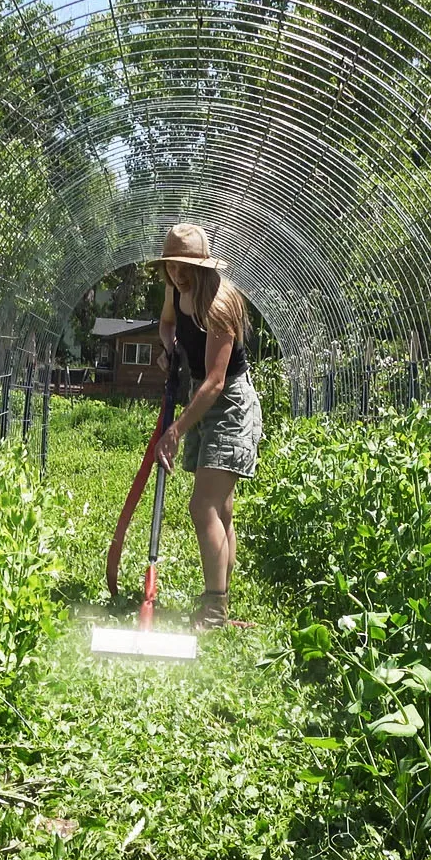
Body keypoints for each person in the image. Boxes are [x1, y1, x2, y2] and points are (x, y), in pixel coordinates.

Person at [152, 222, 263, 630]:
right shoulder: (174, 290)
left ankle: (214, 610)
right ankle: (221, 603)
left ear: (202, 266)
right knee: (221, 509)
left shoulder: (219, 303)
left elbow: (216, 381)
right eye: (171, 266)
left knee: (203, 506)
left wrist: (176, 430)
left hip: (230, 403)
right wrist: (170, 350)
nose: (177, 273)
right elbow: (168, 325)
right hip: (202, 395)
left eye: (185, 267)